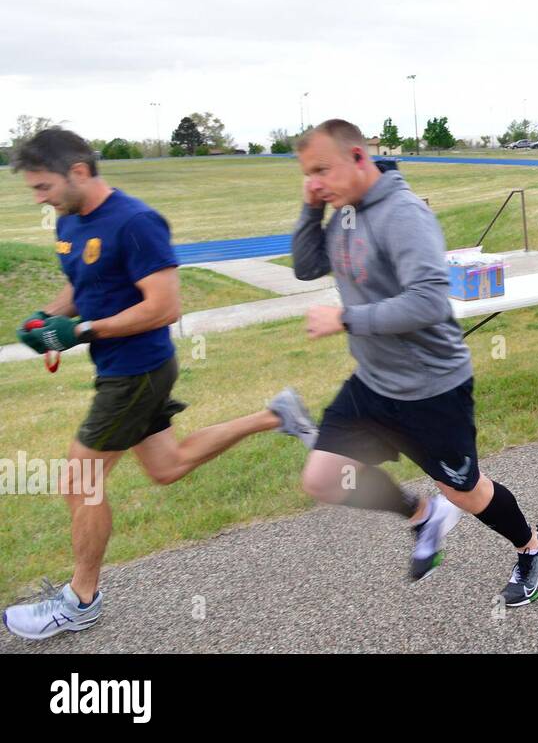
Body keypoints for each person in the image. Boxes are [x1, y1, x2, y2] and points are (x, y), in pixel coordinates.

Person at [3, 129, 317, 640]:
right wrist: (47, 317)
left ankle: (81, 600)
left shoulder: (136, 223)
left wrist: (80, 331)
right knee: (166, 468)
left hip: (136, 369)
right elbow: (83, 285)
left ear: (78, 172)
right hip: (119, 366)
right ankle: (276, 415)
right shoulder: (70, 219)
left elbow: (164, 306)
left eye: (42, 187)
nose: (39, 198)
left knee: (80, 479)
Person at [288, 120, 538, 607]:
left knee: (465, 491)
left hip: (432, 388)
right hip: (373, 384)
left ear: (358, 158)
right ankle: (420, 516)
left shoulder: (403, 214)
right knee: (323, 477)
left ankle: (533, 546)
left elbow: (430, 303)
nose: (316, 183)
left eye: (322, 170)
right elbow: (307, 266)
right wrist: (311, 207)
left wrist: (347, 318)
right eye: (308, 174)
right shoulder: (342, 212)